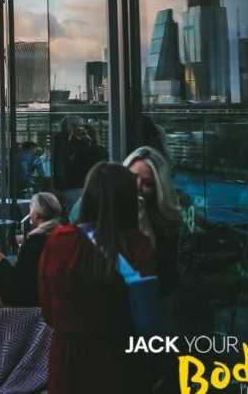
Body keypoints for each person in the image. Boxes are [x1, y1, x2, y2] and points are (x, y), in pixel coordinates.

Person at [39, 162, 157, 394]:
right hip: (119, 361)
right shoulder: (139, 248)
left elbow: (47, 310)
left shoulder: (60, 241)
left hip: (68, 360)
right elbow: (148, 321)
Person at [123, 146, 184, 296]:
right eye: (132, 178)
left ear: (159, 188)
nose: (137, 187)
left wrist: (142, 221)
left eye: (147, 184)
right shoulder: (106, 211)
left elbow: (166, 277)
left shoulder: (167, 223)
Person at [0, 192, 62, 308]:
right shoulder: (63, 237)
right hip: (57, 298)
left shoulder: (35, 242)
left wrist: (2, 262)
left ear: (37, 213)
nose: (29, 213)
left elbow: (20, 283)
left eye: (31, 208)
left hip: (34, 301)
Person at [51, 117, 104, 214]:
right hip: (74, 185)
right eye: (80, 127)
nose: (82, 130)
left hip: (67, 185)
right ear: (72, 127)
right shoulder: (68, 142)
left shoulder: (63, 141)